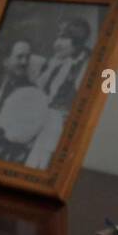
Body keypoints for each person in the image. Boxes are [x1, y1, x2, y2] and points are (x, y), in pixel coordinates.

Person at [25, 18, 94, 169]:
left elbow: (103, 95)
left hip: (64, 128)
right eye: (57, 37)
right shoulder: (57, 61)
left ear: (77, 40)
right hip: (45, 120)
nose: (56, 44)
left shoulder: (92, 65)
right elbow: (40, 89)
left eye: (63, 38)